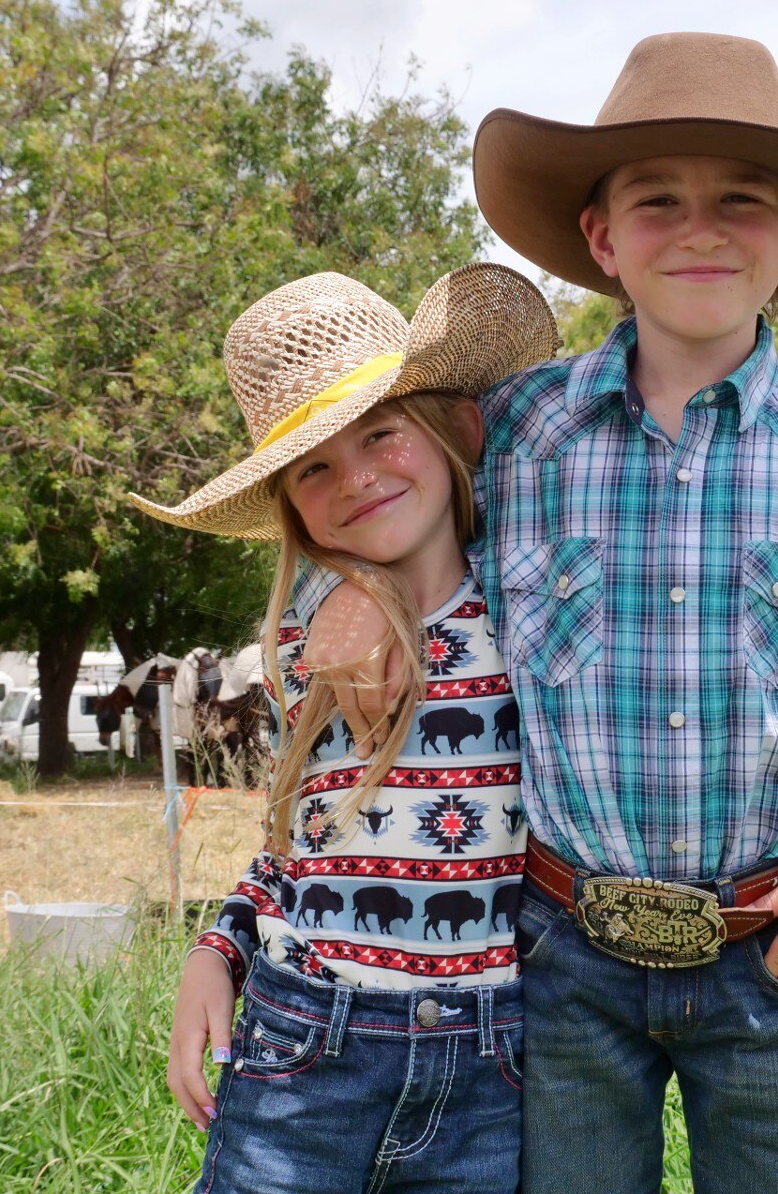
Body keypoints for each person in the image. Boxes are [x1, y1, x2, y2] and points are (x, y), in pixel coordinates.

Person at [311, 32, 778, 1193]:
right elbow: (380, 510)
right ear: (601, 239)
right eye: (657, 200)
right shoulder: (514, 433)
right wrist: (354, 593)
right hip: (560, 955)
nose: (700, 229)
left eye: (741, 200)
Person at [130, 263, 561, 1193]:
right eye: (313, 466)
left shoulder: (535, 610)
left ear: (445, 429)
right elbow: (300, 843)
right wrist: (221, 946)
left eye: (381, 433)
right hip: (304, 1041)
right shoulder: (300, 645)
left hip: (488, 1064)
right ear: (291, 501)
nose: (356, 477)